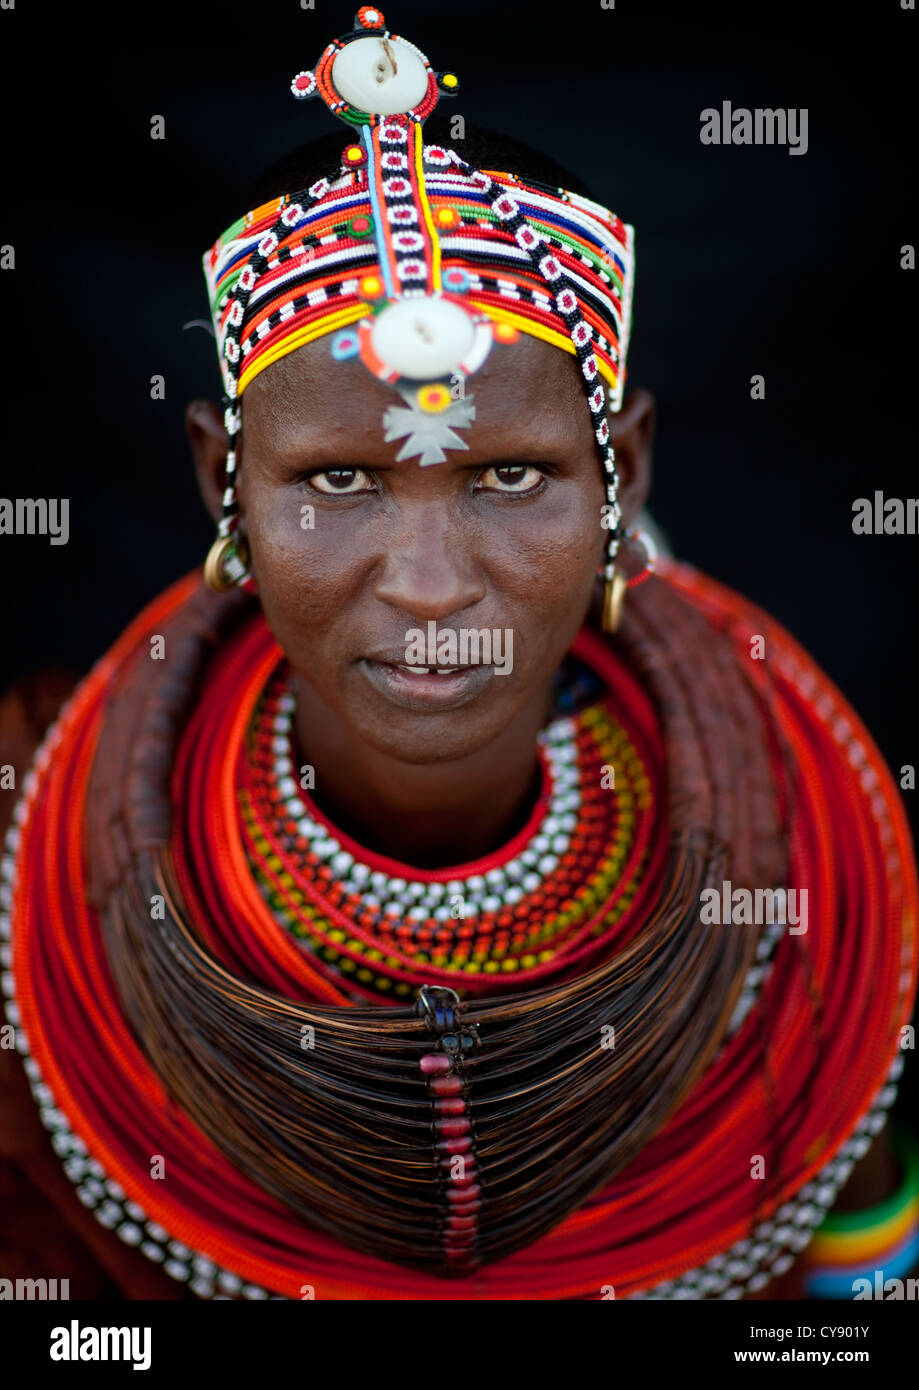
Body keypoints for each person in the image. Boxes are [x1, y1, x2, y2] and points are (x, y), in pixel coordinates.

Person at [1, 8, 916, 1301]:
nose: (431, 588)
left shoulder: (821, 866)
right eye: (334, 477)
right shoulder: (27, 809)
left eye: (509, 472)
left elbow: (863, 1306)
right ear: (225, 483)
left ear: (625, 473)